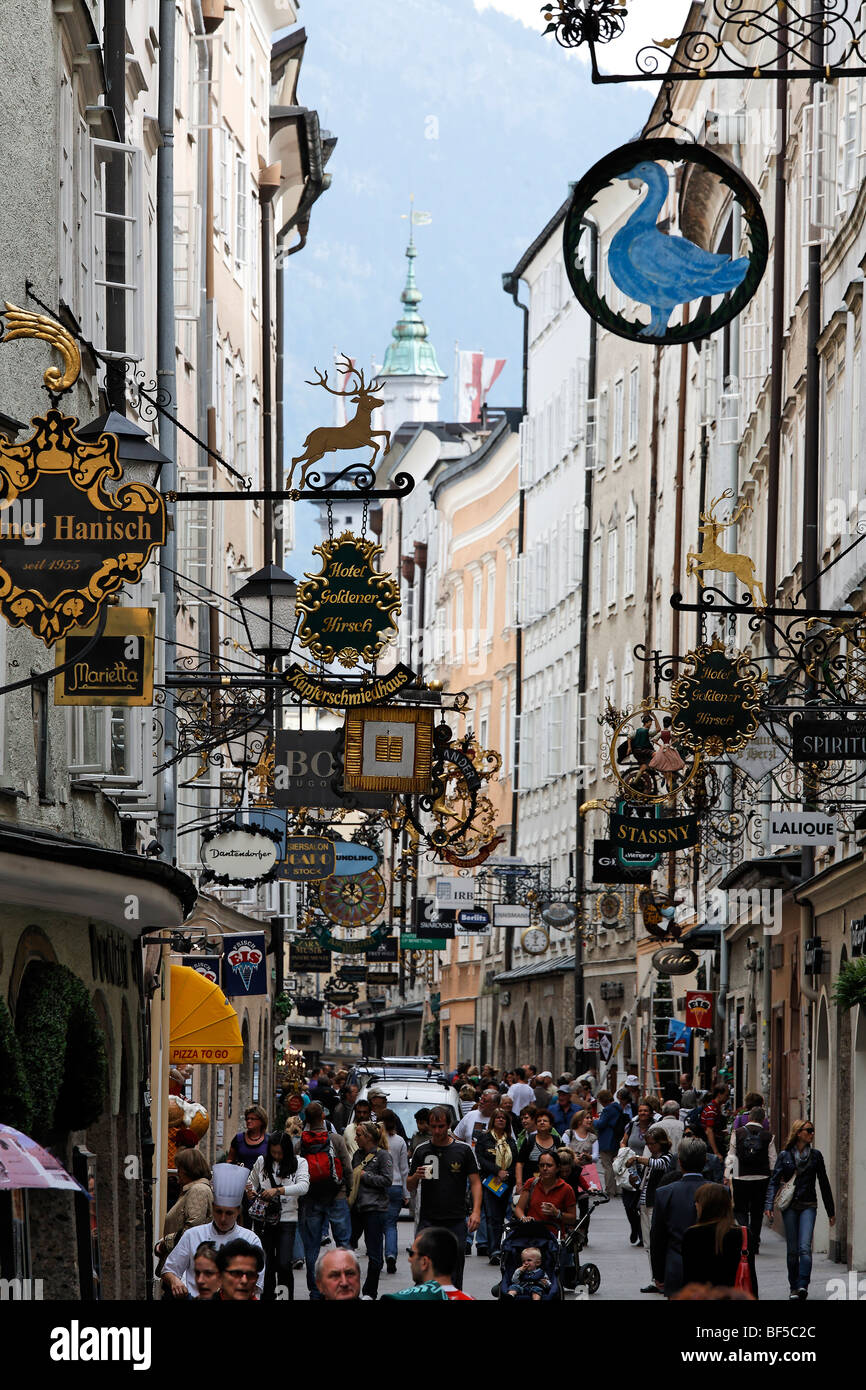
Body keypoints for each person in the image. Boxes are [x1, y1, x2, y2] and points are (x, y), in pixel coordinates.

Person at [406, 1105, 481, 1291]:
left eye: (441, 1126)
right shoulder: (421, 1150)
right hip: (428, 1219)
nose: (437, 1131)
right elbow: (410, 1185)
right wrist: (416, 1176)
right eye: (433, 1126)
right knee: (424, 1265)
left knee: (454, 1268)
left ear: (448, 1125)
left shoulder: (463, 1150)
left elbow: (475, 1182)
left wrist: (476, 1212)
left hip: (456, 1219)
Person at [162, 1163, 265, 1297]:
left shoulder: (251, 1239)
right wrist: (175, 1281)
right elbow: (169, 1269)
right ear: (212, 1207)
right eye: (219, 1212)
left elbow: (255, 1286)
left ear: (238, 1212)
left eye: (229, 1213)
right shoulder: (192, 1235)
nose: (222, 1218)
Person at [765, 1117, 835, 1300]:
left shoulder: (816, 1156)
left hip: (808, 1205)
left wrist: (831, 1211)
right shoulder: (784, 1155)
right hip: (790, 1206)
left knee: (804, 1247)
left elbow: (824, 1183)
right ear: (798, 1133)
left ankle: (803, 1285)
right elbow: (773, 1182)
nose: (812, 1134)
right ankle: (793, 1287)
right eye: (808, 1130)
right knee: (792, 1250)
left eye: (812, 1131)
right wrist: (768, 1205)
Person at [295, 1101, 352, 1301]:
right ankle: (347, 1288)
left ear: (306, 1120)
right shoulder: (335, 1139)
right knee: (343, 1243)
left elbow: (295, 1167)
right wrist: (348, 1191)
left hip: (311, 1197)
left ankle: (315, 1291)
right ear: (323, 1117)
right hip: (336, 1195)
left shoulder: (302, 1142)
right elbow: (347, 1166)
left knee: (311, 1247)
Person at [247, 1129, 309, 1300]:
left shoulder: (300, 1163)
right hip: (264, 1221)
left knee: (283, 1264)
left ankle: (283, 1297)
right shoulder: (262, 1161)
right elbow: (250, 1181)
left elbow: (303, 1187)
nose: (276, 1156)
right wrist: (251, 1191)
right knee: (266, 1265)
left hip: (287, 1220)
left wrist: (277, 1191)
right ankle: (267, 1297)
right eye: (273, 1152)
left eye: (280, 1153)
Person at [650, 1137, 709, 1297]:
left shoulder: (664, 1193)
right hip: (711, 1271)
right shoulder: (721, 1192)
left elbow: (657, 1238)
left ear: (680, 1162)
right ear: (705, 1161)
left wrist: (658, 1274)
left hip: (677, 1269)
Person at [680, 1181, 757, 1295]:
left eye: (697, 1202)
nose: (695, 1205)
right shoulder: (743, 1233)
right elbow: (751, 1275)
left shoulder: (691, 1234)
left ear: (703, 1205)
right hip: (734, 1295)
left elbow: (689, 1276)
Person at [349, 1120, 393, 1300]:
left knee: (374, 1254)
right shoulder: (357, 1155)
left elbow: (387, 1180)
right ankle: (351, 1291)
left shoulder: (383, 1156)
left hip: (375, 1209)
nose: (356, 1138)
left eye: (358, 1135)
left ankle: (369, 1293)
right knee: (348, 1250)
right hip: (356, 1208)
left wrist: (366, 1177)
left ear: (368, 1137)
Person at [626, 1124, 676, 1284]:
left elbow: (659, 1164)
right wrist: (635, 1182)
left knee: (657, 1243)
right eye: (648, 1144)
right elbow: (643, 1183)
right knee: (648, 1244)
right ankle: (656, 1278)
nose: (649, 1147)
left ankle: (662, 1277)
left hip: (655, 1205)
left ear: (661, 1143)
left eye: (652, 1144)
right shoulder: (651, 1160)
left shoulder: (666, 1158)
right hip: (644, 1203)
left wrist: (636, 1159)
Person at [154, 1148, 213, 1281]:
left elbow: (192, 1229)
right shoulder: (192, 1189)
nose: (177, 1172)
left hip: (185, 1269)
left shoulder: (198, 1190)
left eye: (179, 1168)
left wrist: (164, 1245)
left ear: (187, 1170)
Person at [726, 1106, 775, 1254]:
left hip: (741, 1176)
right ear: (763, 1119)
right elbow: (773, 1159)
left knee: (740, 1209)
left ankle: (744, 1235)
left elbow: (731, 1155)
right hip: (761, 1177)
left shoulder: (738, 1133)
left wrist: (727, 1175)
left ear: (749, 1118)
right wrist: (772, 1177)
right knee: (757, 1210)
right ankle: (754, 1242)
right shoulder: (768, 1136)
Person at [382, 1226, 475, 1300]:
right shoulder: (469, 1298)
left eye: (411, 1253)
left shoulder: (402, 1297)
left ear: (424, 1262)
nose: (409, 1259)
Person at [475, 1107, 518, 1263]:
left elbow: (515, 1160)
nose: (501, 1120)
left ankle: (501, 1247)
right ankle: (493, 1250)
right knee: (492, 1216)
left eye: (503, 1118)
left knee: (501, 1217)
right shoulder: (484, 1138)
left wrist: (508, 1174)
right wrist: (497, 1171)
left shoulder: (511, 1141)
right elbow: (481, 1158)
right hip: (490, 1182)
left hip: (506, 1183)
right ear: (493, 1120)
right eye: (498, 1117)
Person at [514, 1149, 577, 1234]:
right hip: (531, 1235)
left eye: (549, 1165)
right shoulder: (531, 1183)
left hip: (553, 1238)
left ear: (558, 1168)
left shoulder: (566, 1189)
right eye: (541, 1165)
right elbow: (519, 1208)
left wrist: (557, 1213)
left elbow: (572, 1219)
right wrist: (523, 1218)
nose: (545, 1168)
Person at [619, 1099, 655, 1246]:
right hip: (631, 1169)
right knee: (628, 1204)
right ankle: (635, 1227)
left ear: (651, 1113)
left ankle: (641, 1234)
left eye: (645, 1111)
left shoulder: (654, 1127)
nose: (642, 1113)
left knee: (640, 1204)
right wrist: (623, 1152)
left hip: (647, 1169)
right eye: (640, 1111)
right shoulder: (632, 1125)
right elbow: (623, 1141)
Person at [380, 1108, 409, 1274]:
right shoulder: (400, 1141)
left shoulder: (376, 1141)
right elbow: (404, 1169)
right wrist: (406, 1193)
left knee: (377, 1225)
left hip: (379, 1186)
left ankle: (377, 1256)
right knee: (391, 1225)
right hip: (396, 1185)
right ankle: (391, 1254)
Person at [514, 1109, 559, 1192]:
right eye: (539, 1121)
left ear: (550, 1124)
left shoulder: (557, 1140)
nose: (542, 1122)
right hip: (531, 1185)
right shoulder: (529, 1140)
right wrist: (519, 1184)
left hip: (552, 1185)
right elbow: (520, 1163)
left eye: (545, 1121)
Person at [595, 1088, 627, 1197]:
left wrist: (594, 1121)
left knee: (607, 1165)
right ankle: (618, 1189)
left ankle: (610, 1189)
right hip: (616, 1140)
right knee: (616, 1165)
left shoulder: (608, 1109)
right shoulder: (618, 1108)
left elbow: (601, 1124)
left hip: (607, 1140)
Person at [699, 1083, 731, 1181]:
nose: (728, 1097)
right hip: (712, 1146)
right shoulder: (712, 1109)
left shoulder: (715, 1108)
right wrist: (716, 1152)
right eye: (726, 1095)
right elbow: (709, 1130)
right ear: (719, 1095)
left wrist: (721, 1133)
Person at [228, 1104, 270, 1171]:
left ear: (261, 1121)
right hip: (241, 1179)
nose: (248, 1121)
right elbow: (229, 1160)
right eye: (247, 1118)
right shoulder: (238, 1139)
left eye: (252, 1119)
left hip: (262, 1180)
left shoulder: (269, 1141)